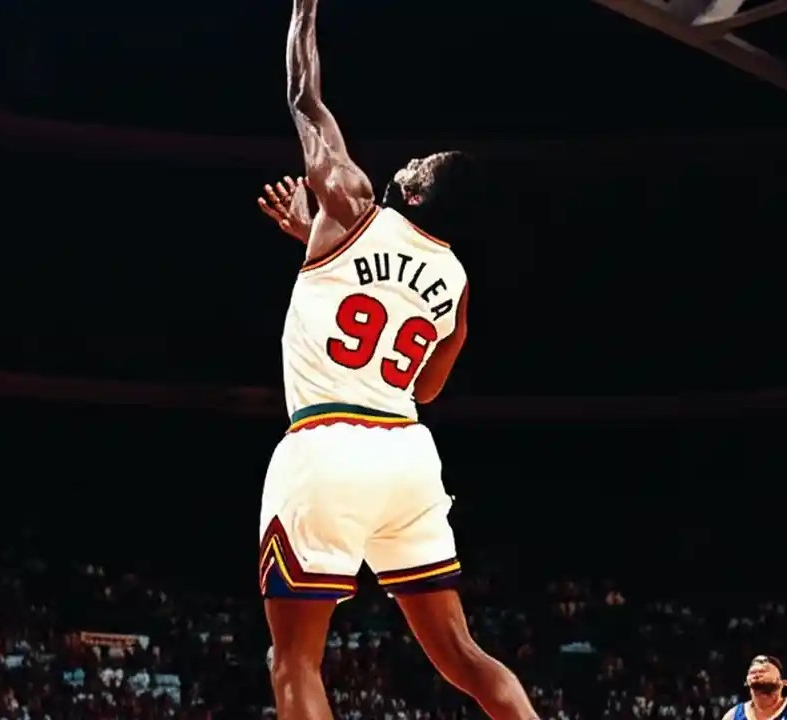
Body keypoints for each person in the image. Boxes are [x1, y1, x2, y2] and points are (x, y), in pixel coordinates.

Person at [252, 1, 536, 719]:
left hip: (327, 443)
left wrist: (303, 8)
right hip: (407, 453)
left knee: (294, 661)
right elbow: (428, 384)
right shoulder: (457, 281)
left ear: (411, 191)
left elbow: (301, 94)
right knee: (464, 657)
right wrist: (313, 248)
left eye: (417, 163)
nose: (407, 160)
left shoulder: (348, 204)